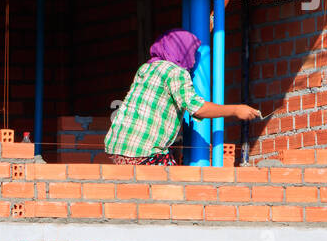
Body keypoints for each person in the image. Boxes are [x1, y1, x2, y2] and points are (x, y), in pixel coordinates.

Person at [104, 29, 261, 165]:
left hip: (118, 147)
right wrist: (236, 110)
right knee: (174, 187)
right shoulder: (176, 72)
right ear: (183, 51)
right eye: (192, 53)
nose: (193, 60)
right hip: (142, 151)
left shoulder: (147, 68)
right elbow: (197, 108)